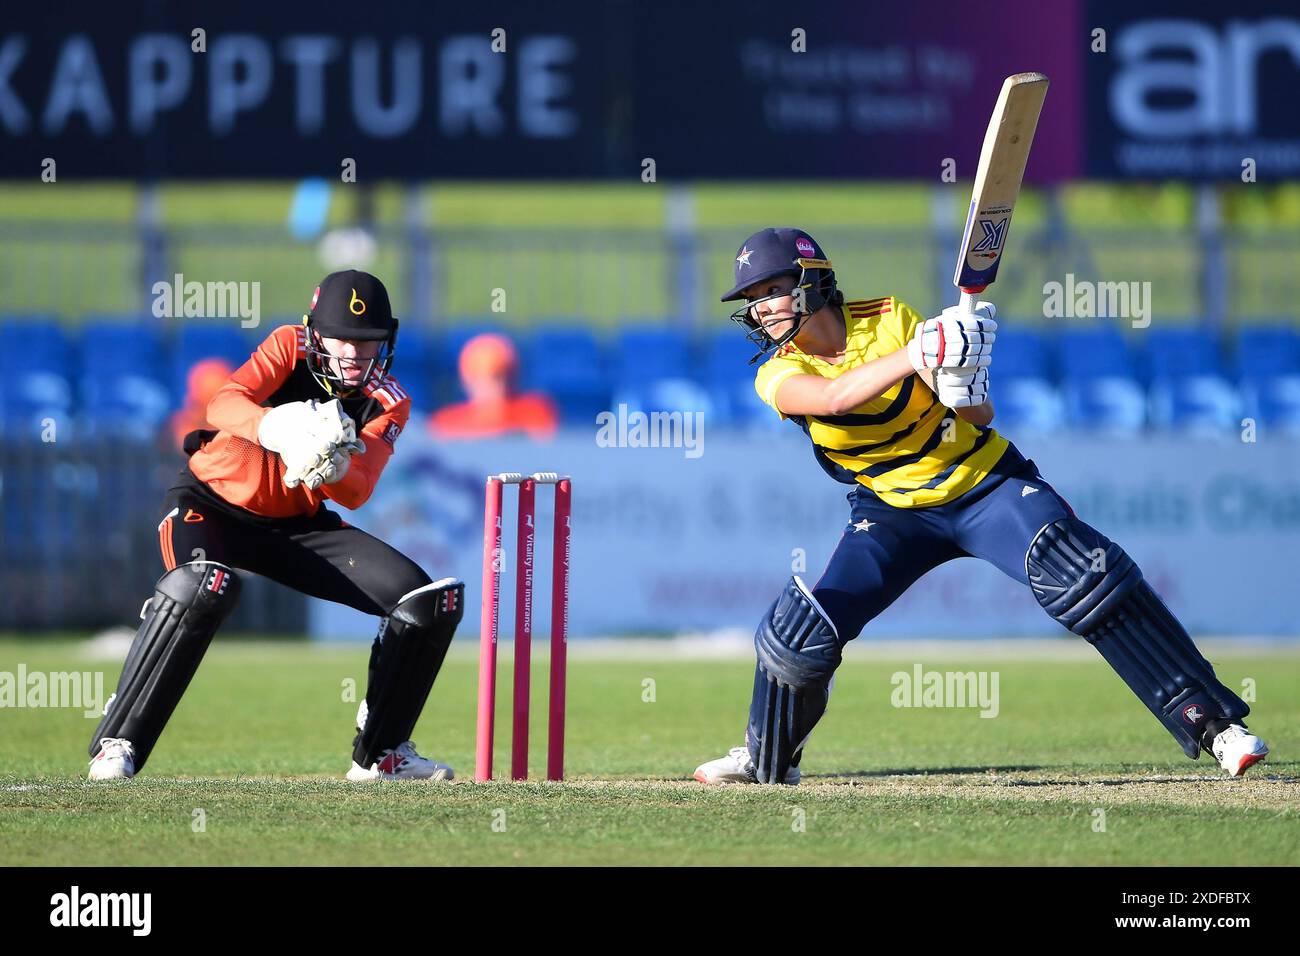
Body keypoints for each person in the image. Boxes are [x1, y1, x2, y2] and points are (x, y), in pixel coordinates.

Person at [693, 227, 1270, 785]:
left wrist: (963, 375)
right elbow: (835, 397)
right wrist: (921, 352)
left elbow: (977, 416)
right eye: (752, 298)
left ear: (811, 281)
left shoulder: (889, 317)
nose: (761, 309)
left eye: (770, 291)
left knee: (1084, 575)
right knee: (800, 633)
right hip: (892, 512)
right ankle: (768, 758)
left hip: (984, 484)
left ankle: (1216, 727)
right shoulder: (777, 373)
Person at [89, 270, 465, 783]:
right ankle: (119, 741)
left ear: (387, 340)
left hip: (296, 525)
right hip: (213, 505)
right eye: (343, 339)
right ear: (315, 333)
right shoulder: (288, 347)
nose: (355, 353)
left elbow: (358, 491)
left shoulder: (388, 398)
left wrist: (333, 466)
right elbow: (224, 403)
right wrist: (278, 426)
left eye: (368, 341)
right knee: (202, 588)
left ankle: (382, 752)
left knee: (426, 600)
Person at [428, 332, 558, 439]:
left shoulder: (534, 412)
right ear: (466, 381)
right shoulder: (448, 423)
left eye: (503, 375)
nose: (498, 385)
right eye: (483, 376)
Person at [167, 357, 234, 451]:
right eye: (193, 390)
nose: (190, 399)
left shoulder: (239, 435)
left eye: (203, 393)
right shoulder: (180, 427)